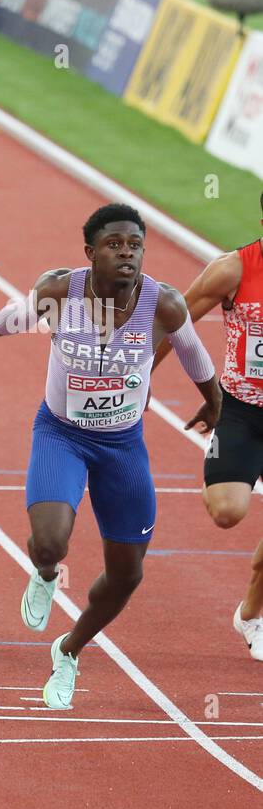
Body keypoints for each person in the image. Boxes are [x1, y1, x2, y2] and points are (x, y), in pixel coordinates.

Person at [0, 203, 218, 709]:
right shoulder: (60, 291)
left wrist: (216, 403)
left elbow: (193, 355)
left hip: (123, 446)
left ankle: (68, 651)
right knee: (50, 544)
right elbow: (15, 318)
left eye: (135, 245)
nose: (127, 254)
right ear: (91, 253)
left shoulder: (164, 304)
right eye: (115, 245)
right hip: (62, 436)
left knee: (128, 574)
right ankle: (46, 575)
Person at [155, 193, 263, 659]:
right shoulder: (233, 270)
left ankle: (251, 617)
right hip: (242, 412)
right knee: (227, 513)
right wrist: (138, 382)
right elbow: (174, 322)